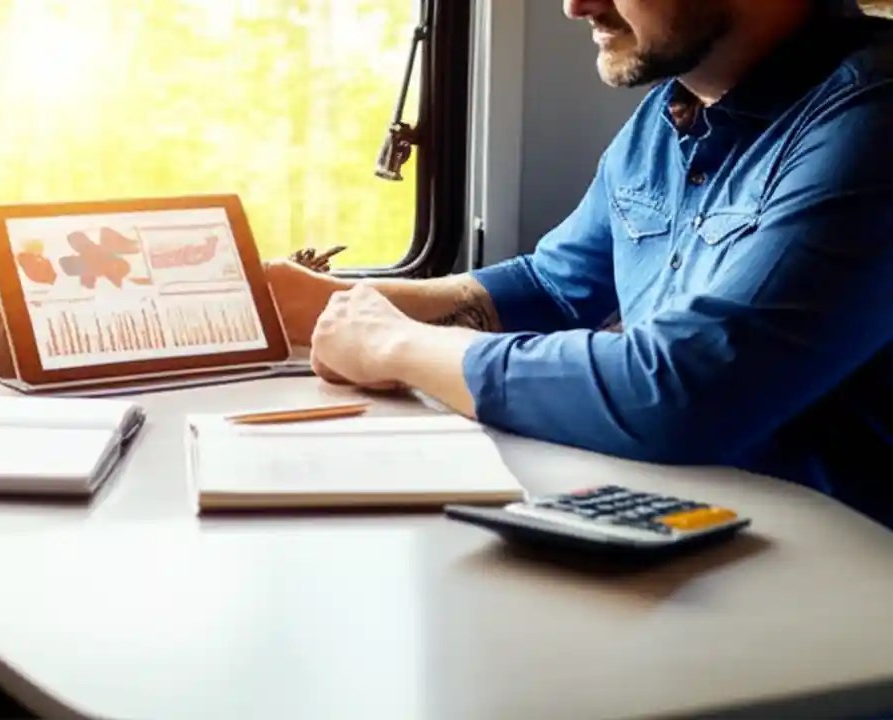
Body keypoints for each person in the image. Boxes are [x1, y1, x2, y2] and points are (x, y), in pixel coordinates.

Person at [269, 0, 893, 528]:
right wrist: (327, 303)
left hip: (848, 573)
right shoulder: (670, 111)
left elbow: (683, 392)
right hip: (709, 528)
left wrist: (394, 347)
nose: (574, 5)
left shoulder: (874, 116)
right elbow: (553, 286)